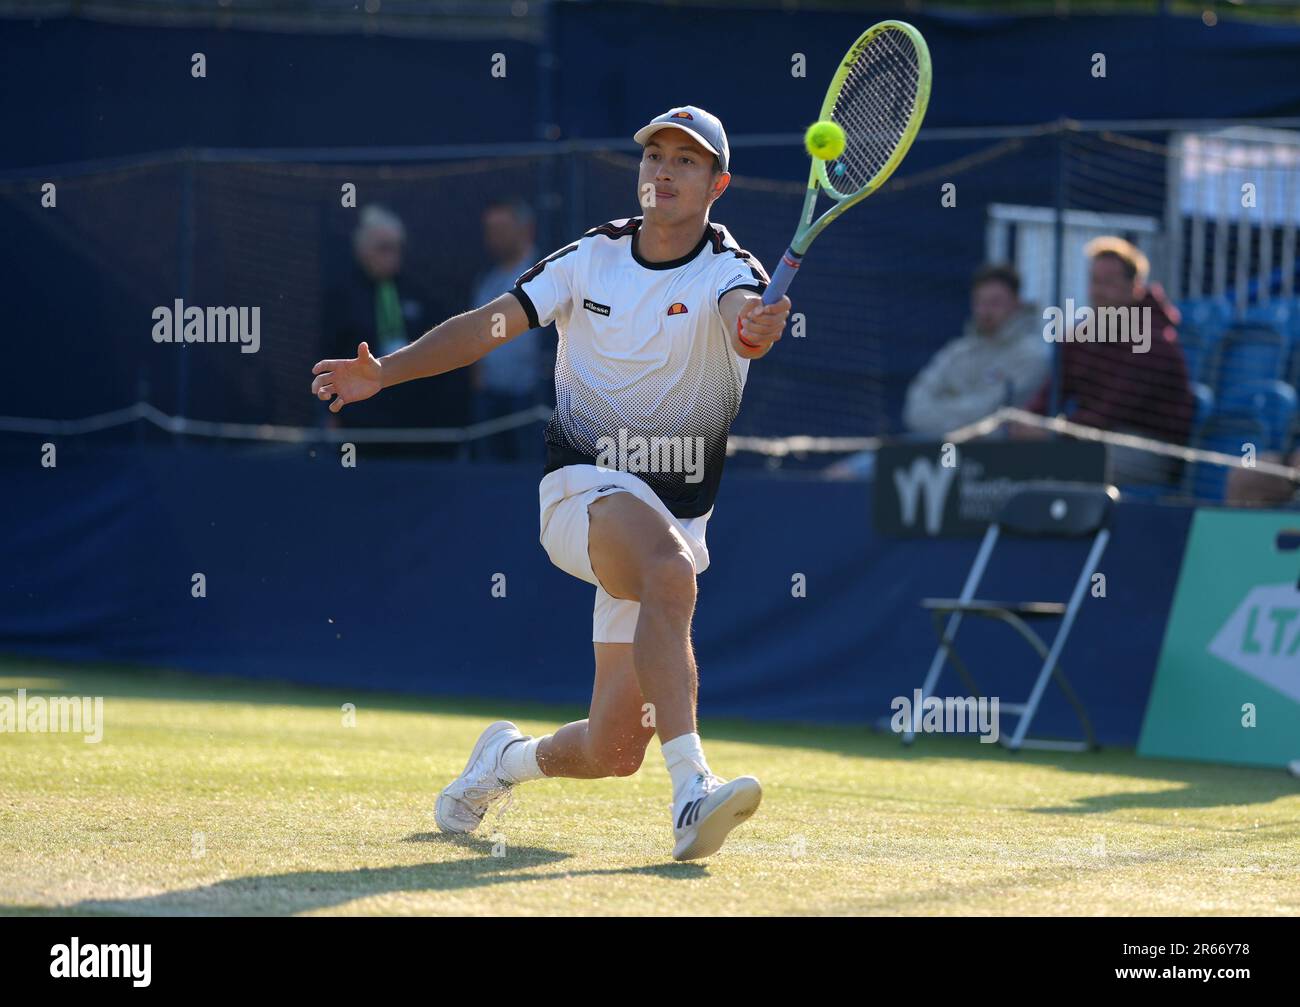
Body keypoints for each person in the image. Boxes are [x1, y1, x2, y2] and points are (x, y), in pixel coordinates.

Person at [309, 106, 791, 861]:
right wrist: (386, 373)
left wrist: (756, 328)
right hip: (582, 491)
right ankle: (692, 789)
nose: (663, 170)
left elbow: (745, 318)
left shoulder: (735, 272)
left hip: (668, 521)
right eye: (655, 155)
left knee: (612, 748)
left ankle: (501, 761)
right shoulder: (587, 258)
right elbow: (488, 325)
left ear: (717, 184)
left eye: (686, 162)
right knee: (668, 571)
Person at [1021, 237, 1195, 485]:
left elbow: (1109, 413)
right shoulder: (1080, 336)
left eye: (1108, 283)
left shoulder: (1154, 341)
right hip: (1089, 439)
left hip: (1149, 450)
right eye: (1094, 281)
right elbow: (1051, 393)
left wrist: (1052, 432)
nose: (1098, 291)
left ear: (1135, 286)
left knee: (1068, 463)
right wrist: (1027, 422)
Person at [323, 205, 470, 456]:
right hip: (363, 425)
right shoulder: (342, 298)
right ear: (362, 250)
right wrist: (330, 414)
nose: (391, 256)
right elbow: (328, 354)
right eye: (383, 248)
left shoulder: (421, 295)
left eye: (396, 248)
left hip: (416, 424)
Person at [903, 264, 1049, 436]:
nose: (986, 311)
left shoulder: (1032, 356)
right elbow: (914, 409)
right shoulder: (956, 352)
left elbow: (993, 414)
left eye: (995, 303)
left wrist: (946, 407)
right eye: (980, 302)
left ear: (1017, 303)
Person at [470, 199, 549, 461]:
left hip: (533, 399)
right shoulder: (485, 278)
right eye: (489, 231)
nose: (494, 238)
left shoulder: (549, 272)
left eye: (501, 229)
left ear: (526, 229)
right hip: (490, 398)